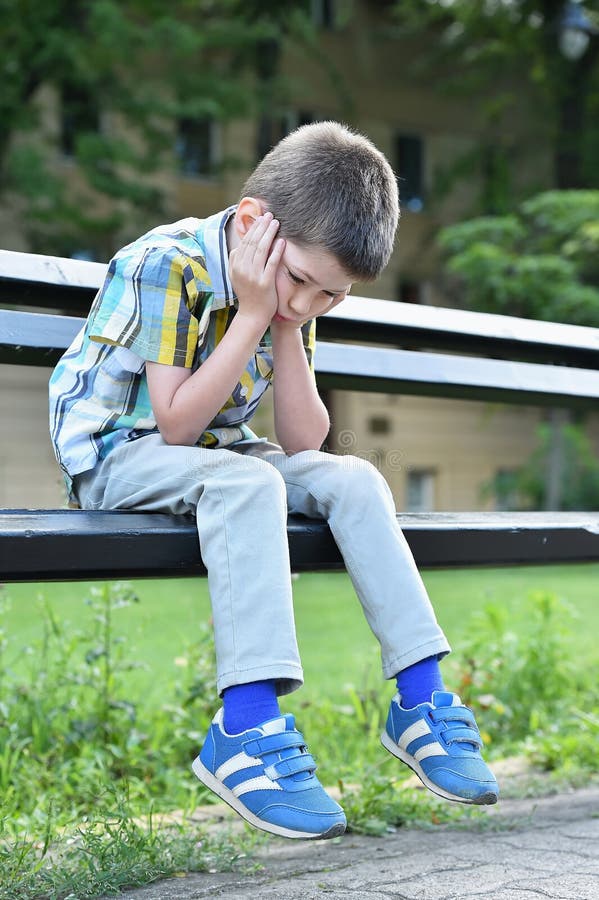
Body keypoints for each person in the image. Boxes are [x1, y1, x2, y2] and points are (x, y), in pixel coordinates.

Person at [49, 121, 498, 842]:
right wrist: (255, 312)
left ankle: (420, 701)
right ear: (256, 223)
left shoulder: (298, 287)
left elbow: (303, 438)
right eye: (301, 283)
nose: (309, 302)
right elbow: (173, 427)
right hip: (116, 455)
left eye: (330, 297)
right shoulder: (167, 264)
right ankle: (246, 728)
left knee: (352, 477)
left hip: (220, 456)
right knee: (245, 485)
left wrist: (284, 323)